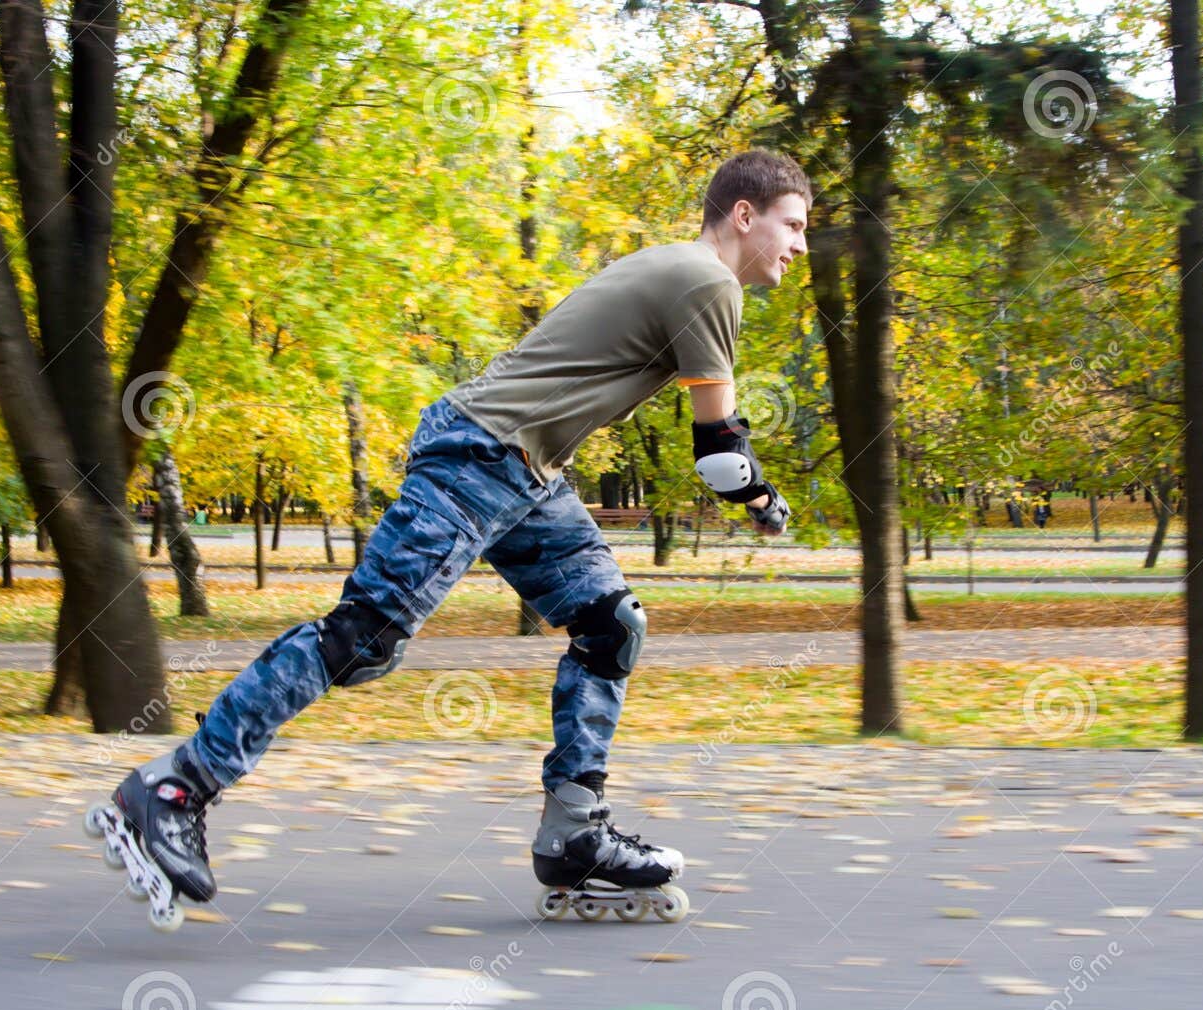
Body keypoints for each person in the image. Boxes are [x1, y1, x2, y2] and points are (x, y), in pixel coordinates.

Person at [89, 149, 810, 929]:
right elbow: (722, 455)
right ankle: (174, 787)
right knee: (363, 637)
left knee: (610, 625)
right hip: (483, 450)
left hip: (525, 469)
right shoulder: (708, 280)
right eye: (793, 225)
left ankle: (573, 829)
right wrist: (766, 501)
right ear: (745, 215)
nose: (799, 247)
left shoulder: (680, 272)